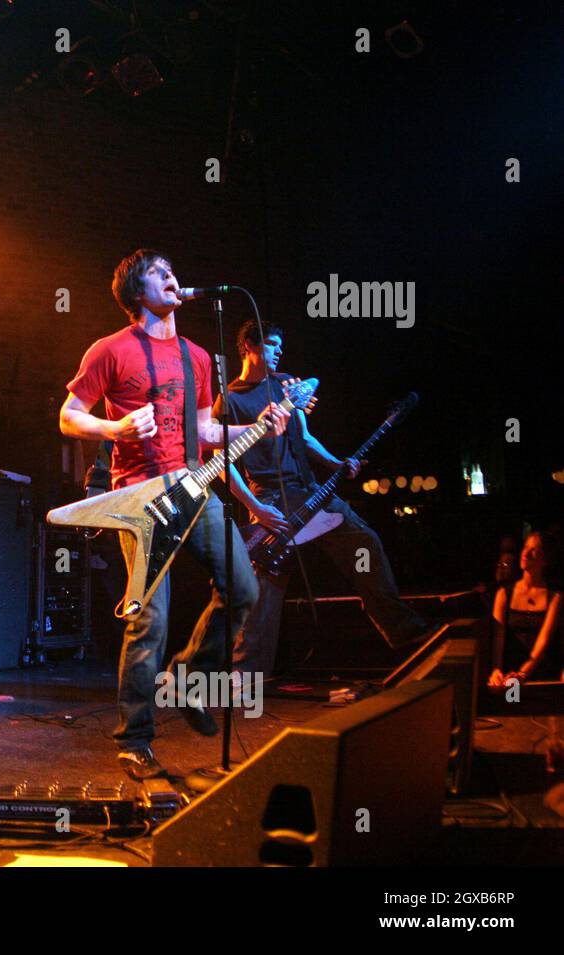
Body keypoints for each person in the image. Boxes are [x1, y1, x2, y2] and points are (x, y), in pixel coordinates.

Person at [58, 249, 288, 779]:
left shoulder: (198, 357)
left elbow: (207, 434)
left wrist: (262, 428)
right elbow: (69, 417)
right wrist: (114, 430)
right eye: (160, 274)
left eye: (171, 271)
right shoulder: (110, 349)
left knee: (244, 589)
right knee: (149, 620)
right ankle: (134, 738)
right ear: (139, 292)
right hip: (139, 499)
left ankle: (188, 673)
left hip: (194, 487)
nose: (173, 278)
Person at [219, 320, 429, 678]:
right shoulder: (230, 399)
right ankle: (246, 676)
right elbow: (222, 461)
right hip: (270, 498)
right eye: (271, 344)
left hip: (311, 490)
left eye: (280, 346)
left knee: (364, 543)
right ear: (249, 346)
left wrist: (336, 462)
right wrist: (256, 509)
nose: (279, 351)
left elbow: (306, 437)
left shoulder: (286, 384)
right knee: (266, 580)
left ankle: (407, 636)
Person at [488, 531, 562, 687]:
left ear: (545, 559)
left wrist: (523, 674)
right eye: (525, 547)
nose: (526, 553)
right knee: (510, 699)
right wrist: (496, 669)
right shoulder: (504, 594)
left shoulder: (554, 597)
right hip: (510, 673)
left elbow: (543, 642)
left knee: (540, 707)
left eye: (533, 550)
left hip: (541, 670)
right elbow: (498, 638)